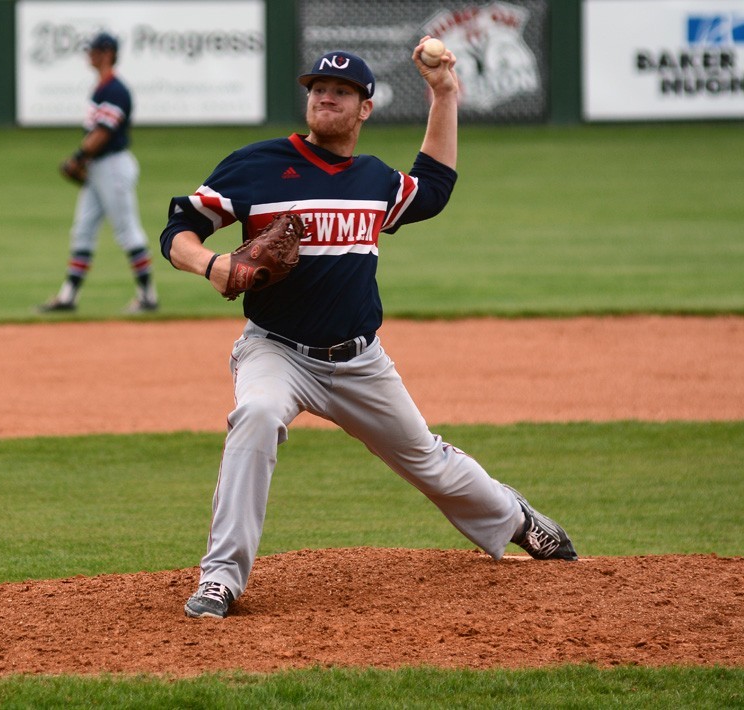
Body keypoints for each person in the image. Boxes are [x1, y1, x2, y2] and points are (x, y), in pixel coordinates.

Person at [159, 40, 578, 620]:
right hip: (276, 352)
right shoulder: (257, 164)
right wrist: (211, 264)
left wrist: (445, 92)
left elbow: (433, 187)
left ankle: (517, 519)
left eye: (342, 91)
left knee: (427, 459)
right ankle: (220, 579)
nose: (326, 96)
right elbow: (179, 228)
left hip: (360, 361)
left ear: (365, 109)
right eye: (318, 89)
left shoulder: (373, 178)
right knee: (255, 416)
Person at [39, 31, 158, 315]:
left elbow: (103, 132)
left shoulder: (115, 89)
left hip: (113, 166)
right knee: (82, 231)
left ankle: (147, 297)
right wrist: (83, 162)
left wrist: (78, 157)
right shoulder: (101, 87)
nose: (88, 55)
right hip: (98, 168)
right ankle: (68, 297)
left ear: (107, 53)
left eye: (93, 50)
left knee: (127, 230)